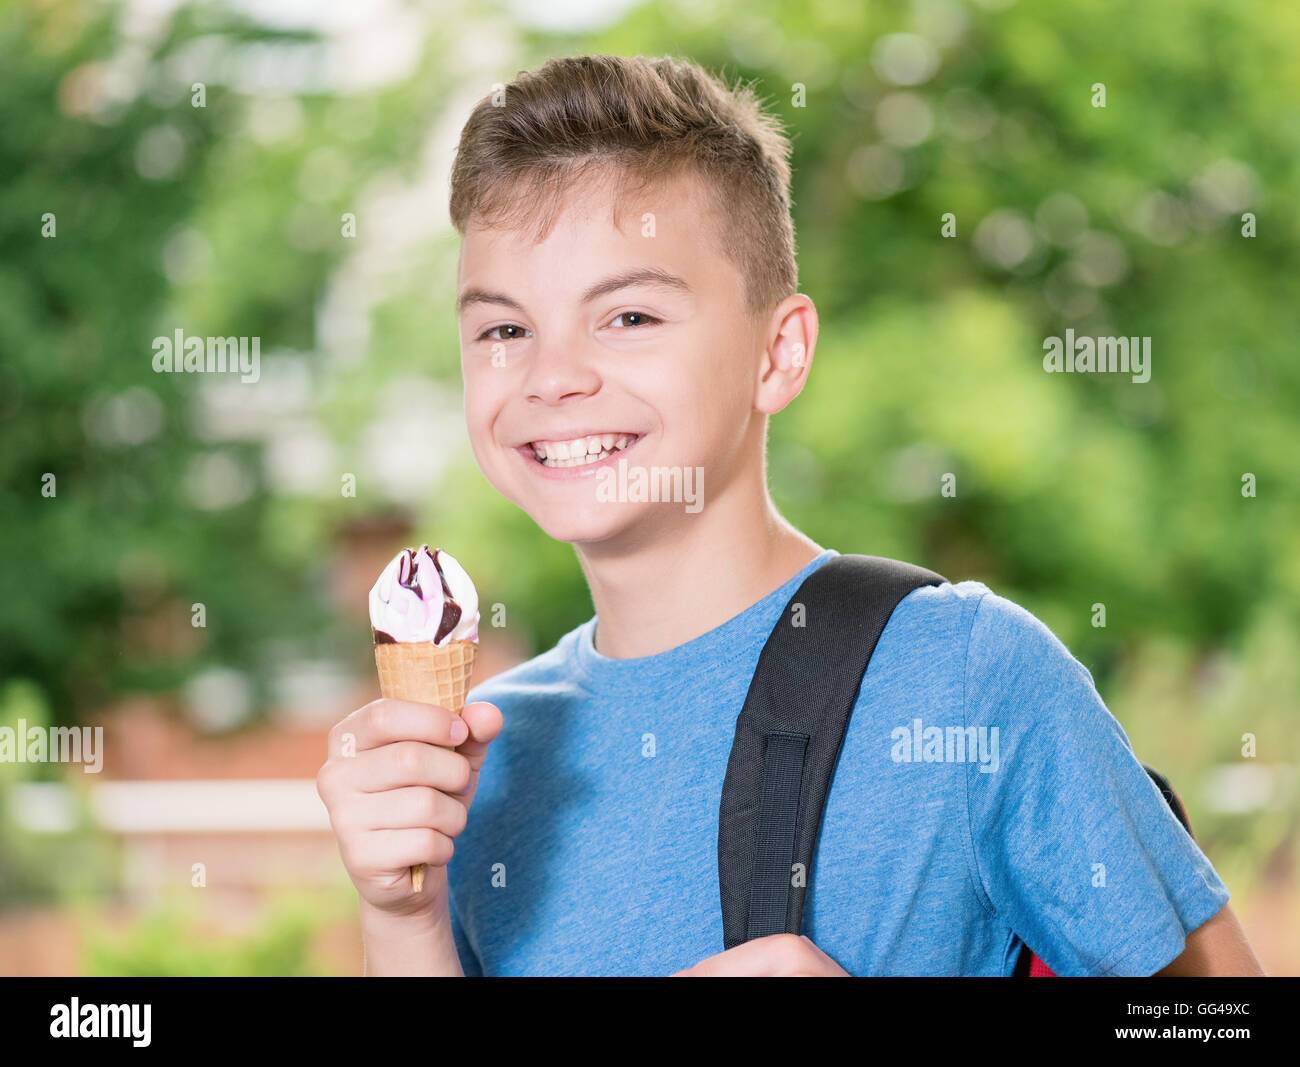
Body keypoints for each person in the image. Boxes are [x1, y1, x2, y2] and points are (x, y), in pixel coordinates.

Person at [316, 54, 1263, 977]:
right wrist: (402, 916)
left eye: (630, 316)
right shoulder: (482, 755)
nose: (553, 377)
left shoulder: (965, 673)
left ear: (779, 353)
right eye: (504, 329)